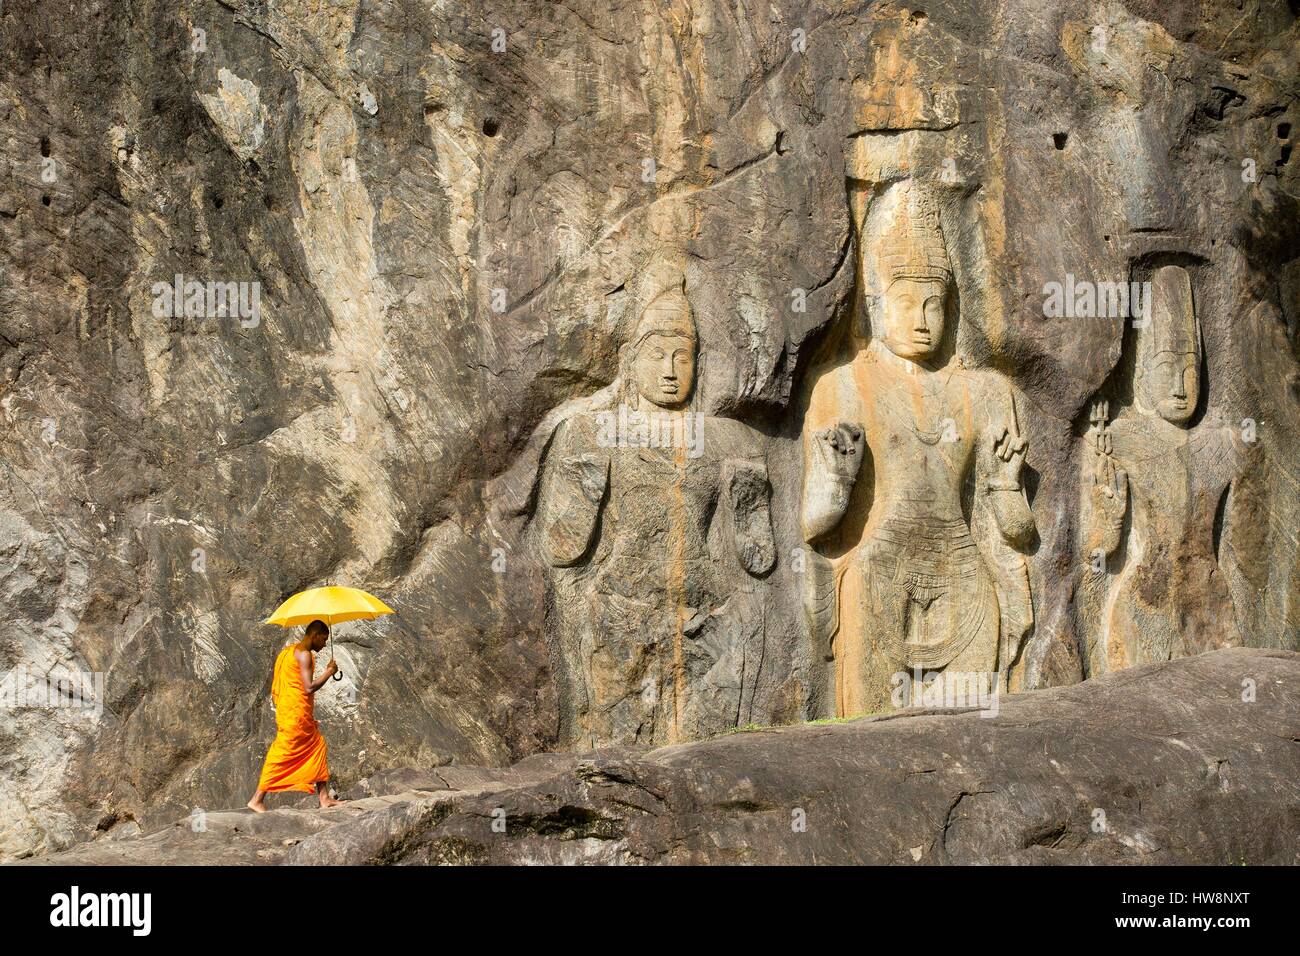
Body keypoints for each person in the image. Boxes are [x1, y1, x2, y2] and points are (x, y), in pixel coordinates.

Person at [246, 619, 344, 812]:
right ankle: (256, 799)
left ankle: (324, 798)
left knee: (317, 746)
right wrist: (329, 672)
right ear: (314, 635)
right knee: (282, 753)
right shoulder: (304, 655)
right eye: (324, 639)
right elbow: (308, 687)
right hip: (296, 714)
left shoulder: (289, 651)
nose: (324, 645)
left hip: (289, 709)